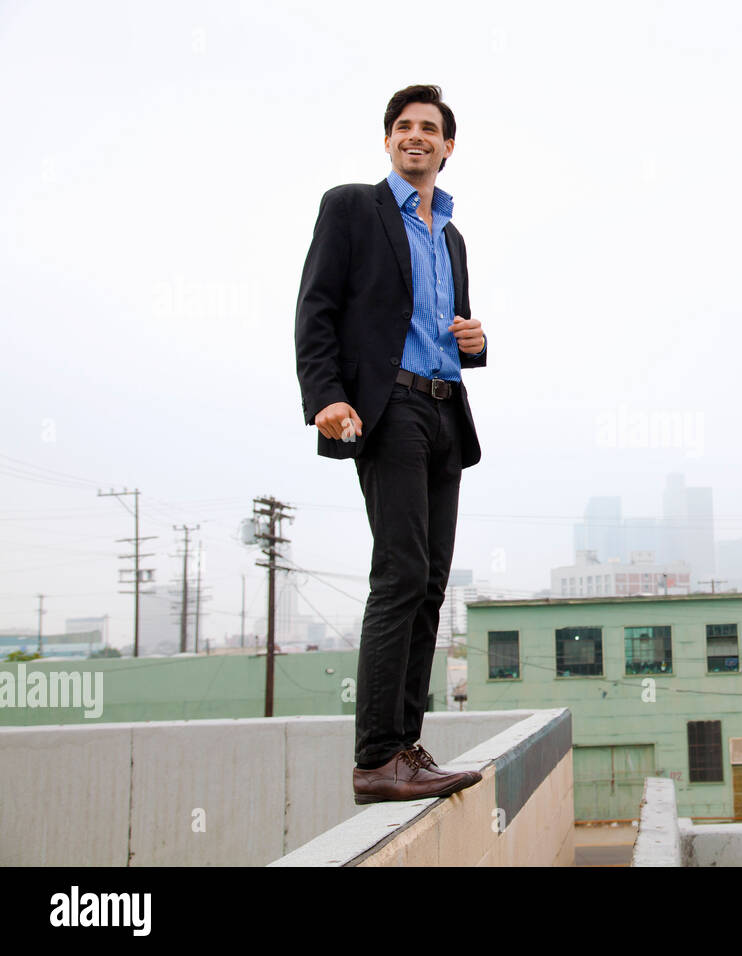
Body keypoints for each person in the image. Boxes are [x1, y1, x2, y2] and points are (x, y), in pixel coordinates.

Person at [295, 84, 487, 804]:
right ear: (388, 140)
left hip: (445, 411)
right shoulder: (352, 207)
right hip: (390, 407)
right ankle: (377, 757)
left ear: (447, 146)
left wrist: (475, 341)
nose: (416, 135)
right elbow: (316, 307)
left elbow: (446, 327)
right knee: (400, 573)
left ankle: (406, 747)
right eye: (404, 126)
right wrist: (325, 395)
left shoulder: (451, 237)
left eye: (429, 128)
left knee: (431, 584)